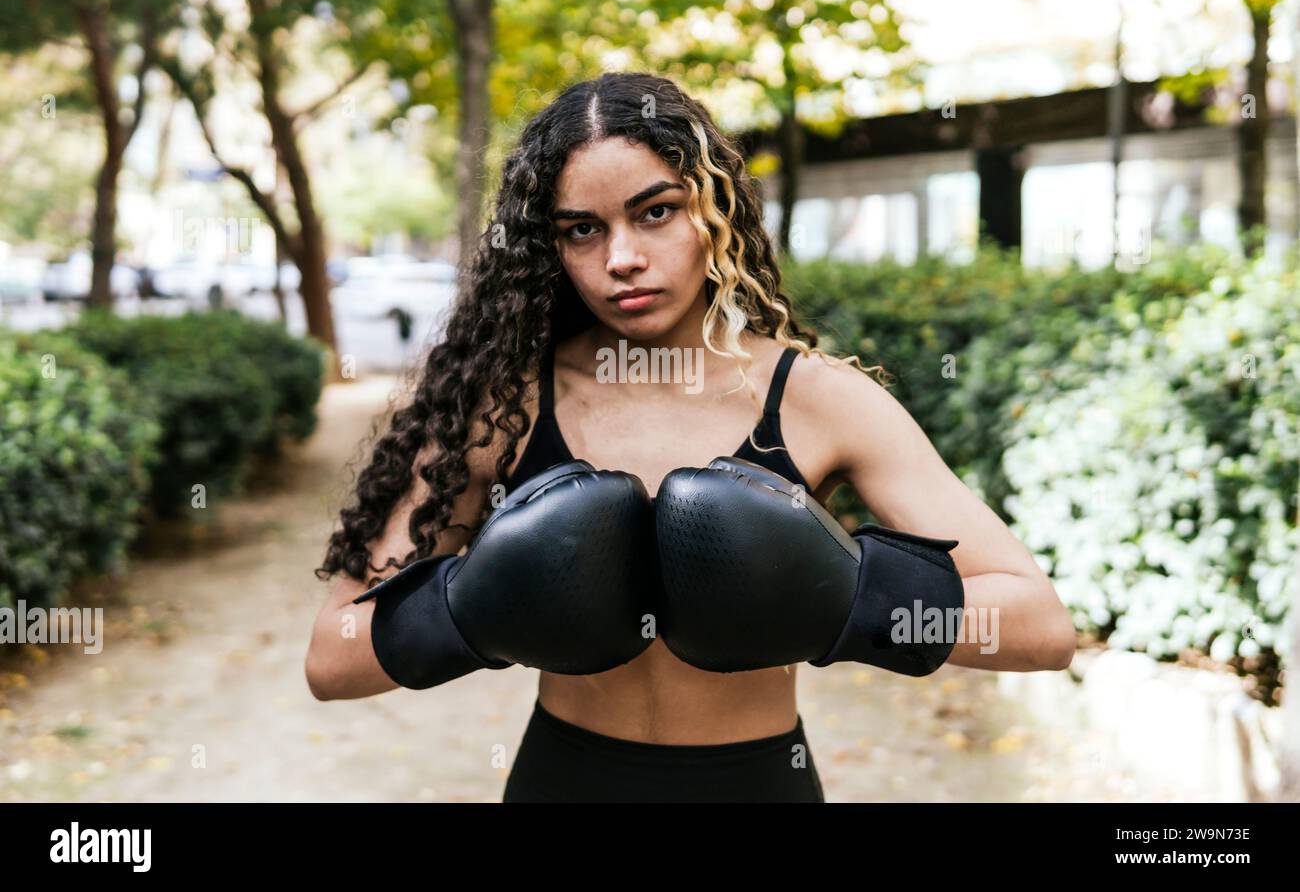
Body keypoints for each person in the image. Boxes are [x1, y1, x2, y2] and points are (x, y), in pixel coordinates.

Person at [304, 71, 1076, 802]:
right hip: (564, 784)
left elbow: (1039, 626)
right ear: (550, 250)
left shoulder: (818, 400)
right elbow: (334, 655)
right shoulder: (502, 405)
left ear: (714, 209)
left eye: (656, 211)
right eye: (582, 230)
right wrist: (469, 606)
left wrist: (848, 597)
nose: (623, 259)